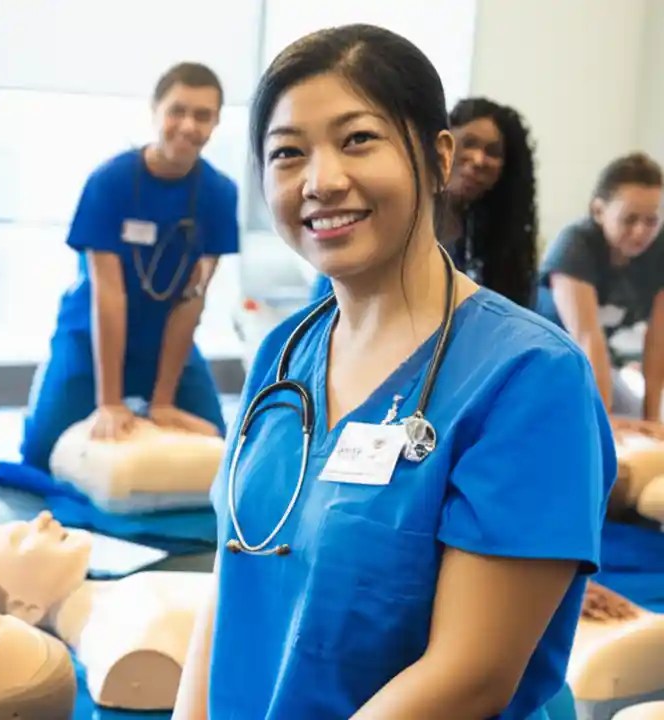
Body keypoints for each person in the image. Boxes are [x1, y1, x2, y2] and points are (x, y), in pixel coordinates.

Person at [173, 24, 615, 719]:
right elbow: (232, 582)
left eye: (358, 140)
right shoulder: (284, 354)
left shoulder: (530, 377)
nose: (321, 181)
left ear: (438, 156)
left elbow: (470, 676)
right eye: (287, 153)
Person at [18, 62, 240, 474]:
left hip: (167, 338)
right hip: (90, 335)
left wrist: (163, 401)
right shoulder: (110, 181)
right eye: (177, 110)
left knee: (217, 446)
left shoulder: (220, 194)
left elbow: (192, 300)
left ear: (216, 123)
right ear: (155, 110)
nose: (188, 125)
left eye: (203, 115)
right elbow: (109, 296)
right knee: (41, 452)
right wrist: (110, 401)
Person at [309, 96, 539, 309]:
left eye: (493, 152)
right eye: (469, 143)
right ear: (443, 147)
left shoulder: (491, 240)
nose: (479, 159)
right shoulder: (384, 217)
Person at [537, 153, 664, 426]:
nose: (641, 232)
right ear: (598, 211)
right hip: (542, 366)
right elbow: (586, 339)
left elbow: (657, 341)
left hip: (598, 364)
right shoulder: (574, 246)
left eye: (651, 220)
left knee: (634, 417)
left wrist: (651, 421)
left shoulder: (659, 249)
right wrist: (604, 427)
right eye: (629, 219)